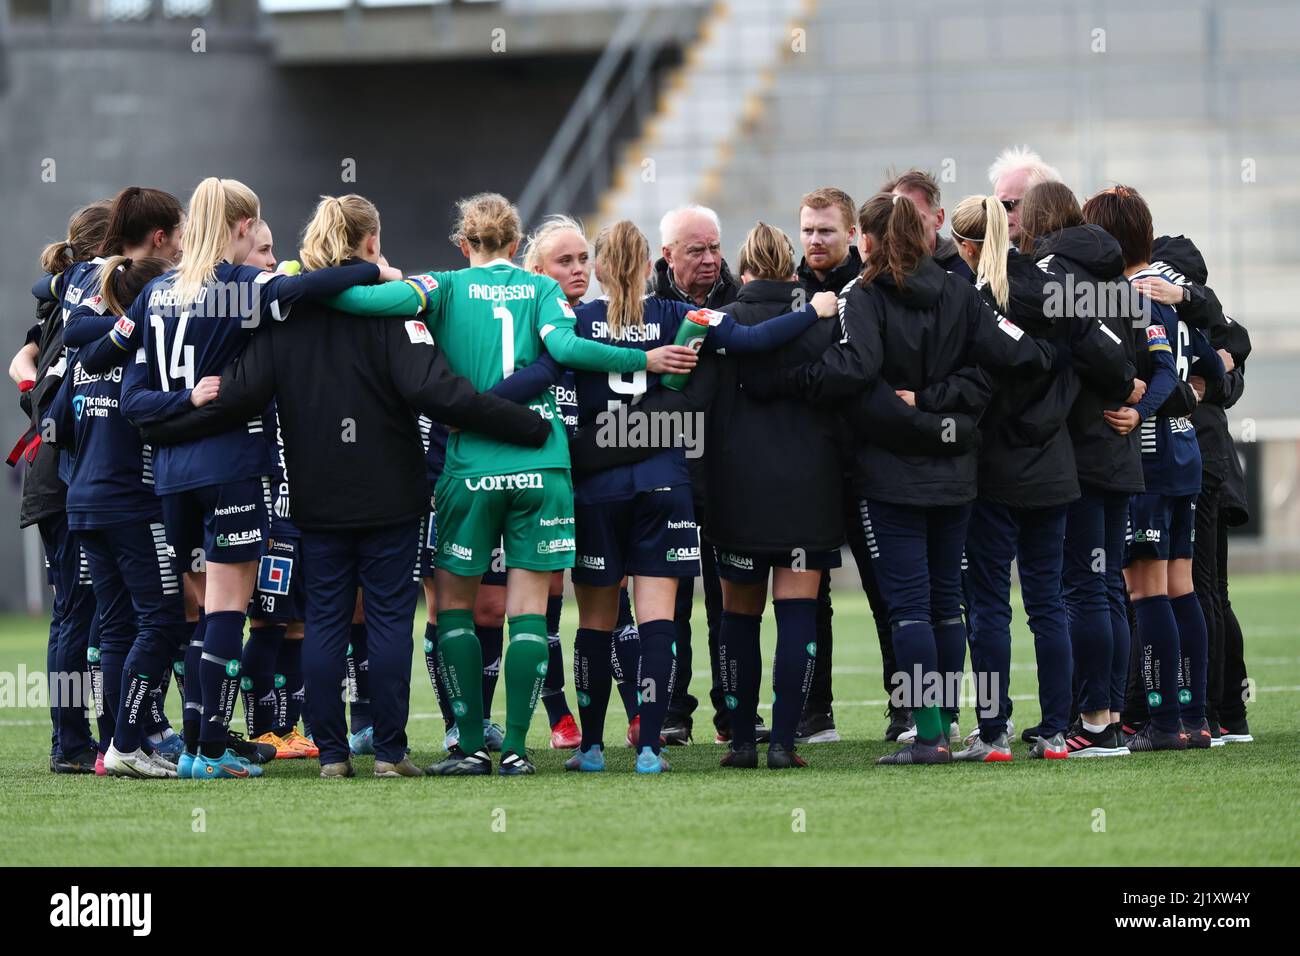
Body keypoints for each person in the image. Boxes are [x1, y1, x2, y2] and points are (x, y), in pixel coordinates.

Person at [138, 193, 556, 779]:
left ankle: (332, 755)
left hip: (316, 497)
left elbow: (235, 397)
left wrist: (167, 413)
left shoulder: (285, 322)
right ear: (369, 244)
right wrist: (526, 422)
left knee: (327, 624)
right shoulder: (392, 315)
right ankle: (388, 753)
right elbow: (440, 393)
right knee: (388, 623)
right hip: (392, 496)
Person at [323, 192, 697, 775]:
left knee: (454, 611)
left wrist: (360, 272)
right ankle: (520, 747)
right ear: (519, 246)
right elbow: (567, 349)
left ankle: (470, 742)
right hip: (541, 461)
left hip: (471, 467)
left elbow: (357, 299)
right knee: (530, 613)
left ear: (463, 242)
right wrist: (645, 360)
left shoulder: (440, 287)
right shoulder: (543, 291)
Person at [91, 178, 392, 779]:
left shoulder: (158, 292)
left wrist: (183, 401)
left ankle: (190, 741)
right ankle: (206, 751)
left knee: (198, 613)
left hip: (173, 478)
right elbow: (315, 283)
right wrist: (374, 271)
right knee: (229, 608)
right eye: (257, 226)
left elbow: (134, 402)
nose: (262, 237)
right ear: (240, 227)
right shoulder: (239, 285)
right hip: (232, 467)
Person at [744, 193, 1056, 766]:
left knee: (908, 608)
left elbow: (855, 368)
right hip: (955, 473)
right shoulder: (963, 292)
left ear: (869, 239)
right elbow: (1011, 362)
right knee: (943, 607)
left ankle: (931, 736)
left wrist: (790, 379)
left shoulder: (861, 296)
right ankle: (941, 727)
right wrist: (943, 412)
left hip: (889, 476)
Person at [560, 219, 837, 774]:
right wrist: (812, 311)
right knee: (660, 618)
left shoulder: (574, 325)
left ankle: (591, 747)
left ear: (598, 270)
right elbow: (753, 340)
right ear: (648, 267)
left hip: (599, 492)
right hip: (664, 485)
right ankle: (649, 749)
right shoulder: (680, 318)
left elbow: (563, 407)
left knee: (596, 620)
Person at [1082, 185, 1223, 752]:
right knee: (1180, 586)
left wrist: (1141, 407)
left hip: (1150, 456)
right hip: (1185, 454)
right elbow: (1213, 362)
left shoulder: (1132, 297)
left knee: (1146, 593)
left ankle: (1165, 723)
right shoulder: (1166, 295)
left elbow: (1165, 371)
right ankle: (1193, 718)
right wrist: (1201, 385)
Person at [707, 222, 847, 768]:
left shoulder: (724, 321)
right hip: (808, 489)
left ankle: (743, 741)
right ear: (791, 270)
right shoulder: (825, 318)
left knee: (738, 618)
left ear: (742, 272)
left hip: (737, 491)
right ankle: (785, 743)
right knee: (797, 615)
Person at [945, 194, 1080, 761]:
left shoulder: (974, 301)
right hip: (1052, 468)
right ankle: (1055, 731)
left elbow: (972, 384)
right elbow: (1077, 363)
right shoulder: (1051, 287)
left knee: (990, 606)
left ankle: (994, 731)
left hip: (994, 470)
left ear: (968, 245)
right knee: (1048, 602)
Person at [1014, 181, 1142, 756]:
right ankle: (1108, 715)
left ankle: (1092, 722)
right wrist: (1132, 392)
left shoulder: (1053, 271)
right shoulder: (1110, 272)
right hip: (1117, 446)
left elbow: (1096, 350)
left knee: (1085, 587)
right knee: (1107, 586)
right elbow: (1126, 347)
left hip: (1084, 447)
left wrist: (1120, 383)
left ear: (1039, 220)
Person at [52, 254, 185, 777]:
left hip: (82, 502)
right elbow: (148, 411)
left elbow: (55, 425)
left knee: (116, 627)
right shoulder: (146, 347)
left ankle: (114, 747)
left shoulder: (85, 354)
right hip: (129, 501)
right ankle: (128, 742)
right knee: (162, 620)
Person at [9, 200, 113, 773]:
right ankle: (72, 745)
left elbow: (25, 362)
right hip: (63, 478)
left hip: (60, 477)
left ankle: (96, 738)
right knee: (79, 612)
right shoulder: (75, 305)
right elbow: (39, 374)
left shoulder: (60, 301)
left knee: (85, 612)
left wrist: (25, 378)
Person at [652, 204, 740, 745]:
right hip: (670, 471)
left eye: (714, 248)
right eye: (695, 250)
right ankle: (671, 712)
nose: (709, 260)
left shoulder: (741, 301)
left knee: (730, 601)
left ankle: (733, 710)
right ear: (668, 255)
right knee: (673, 600)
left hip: (730, 472)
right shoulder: (645, 308)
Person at [792, 186, 860, 745]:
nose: (815, 240)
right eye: (808, 230)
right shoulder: (787, 293)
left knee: (890, 587)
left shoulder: (872, 288)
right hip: (808, 466)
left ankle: (908, 708)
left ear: (853, 234)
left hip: (869, 459)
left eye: (826, 231)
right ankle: (816, 713)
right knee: (810, 590)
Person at [882, 168, 975, 282]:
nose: (903, 227)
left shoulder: (966, 266)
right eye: (896, 218)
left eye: (915, 219)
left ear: (939, 219)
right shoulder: (879, 269)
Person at [987, 146, 1063, 243]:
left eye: (1008, 205)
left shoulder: (1064, 254)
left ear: (1043, 203)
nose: (1000, 214)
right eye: (996, 207)